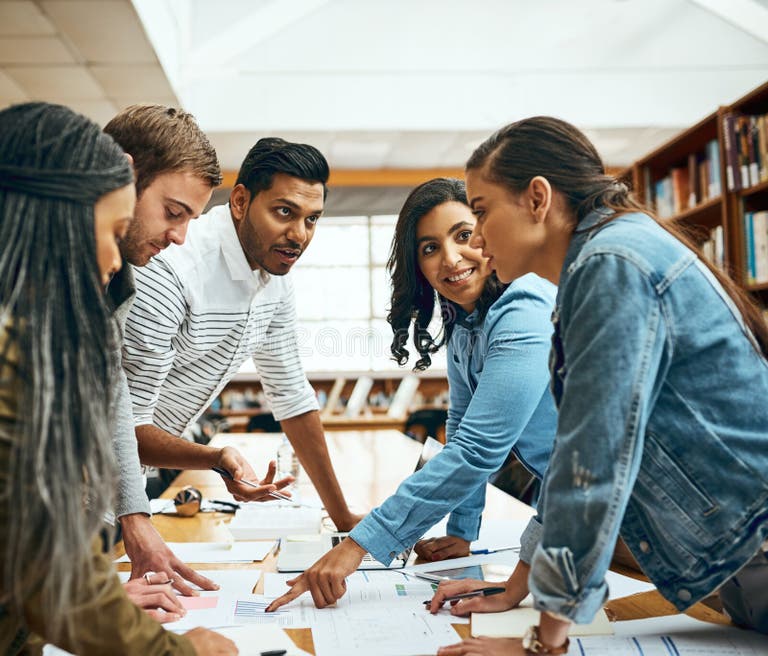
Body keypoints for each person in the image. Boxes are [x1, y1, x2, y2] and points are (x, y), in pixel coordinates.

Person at [431, 116, 768, 656]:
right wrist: (520, 587)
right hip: (740, 552)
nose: (476, 237)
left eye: (481, 211)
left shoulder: (610, 265)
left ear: (537, 198)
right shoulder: (600, 259)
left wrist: (544, 644)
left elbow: (593, 461)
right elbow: (576, 452)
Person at [0, 102, 235, 655]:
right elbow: (42, 565)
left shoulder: (46, 325)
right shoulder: (17, 356)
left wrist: (84, 590)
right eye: (109, 228)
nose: (113, 258)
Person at [266, 177, 558, 611]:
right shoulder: (466, 325)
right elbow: (462, 433)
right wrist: (461, 532)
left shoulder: (524, 307)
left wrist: (358, 545)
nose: (451, 259)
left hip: (618, 508)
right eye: (429, 248)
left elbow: (478, 450)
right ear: (417, 265)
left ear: (487, 234)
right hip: (573, 503)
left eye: (463, 236)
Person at [121, 137, 361, 536]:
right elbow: (128, 426)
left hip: (125, 484)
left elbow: (293, 398)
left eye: (312, 218)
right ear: (239, 202)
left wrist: (343, 518)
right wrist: (216, 458)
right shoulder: (171, 270)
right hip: (76, 480)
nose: (299, 235)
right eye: (284, 212)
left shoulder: (275, 280)